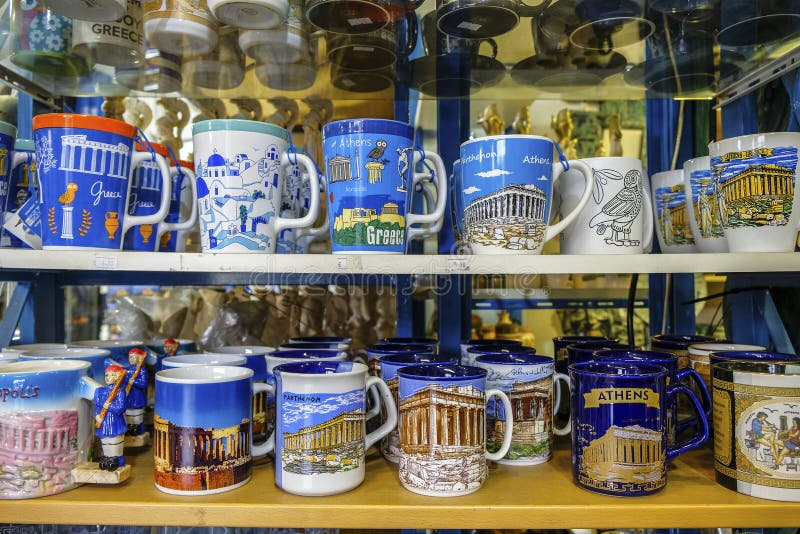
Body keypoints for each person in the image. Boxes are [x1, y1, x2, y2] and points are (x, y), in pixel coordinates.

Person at [94, 364, 128, 471]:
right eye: (106, 375)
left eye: (111, 375)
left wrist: (109, 405)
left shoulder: (120, 391)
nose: (108, 378)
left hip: (114, 421)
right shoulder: (100, 391)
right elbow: (97, 406)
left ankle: (115, 458)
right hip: (103, 422)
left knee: (114, 441)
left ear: (117, 377)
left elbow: (120, 408)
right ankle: (107, 457)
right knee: (105, 441)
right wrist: (97, 416)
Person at [124, 348, 148, 437]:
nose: (131, 359)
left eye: (133, 357)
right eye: (129, 357)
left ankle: (139, 431)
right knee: (128, 415)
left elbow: (143, 383)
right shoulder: (127, 369)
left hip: (137, 397)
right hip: (128, 396)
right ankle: (129, 430)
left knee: (137, 417)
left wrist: (133, 382)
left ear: (139, 358)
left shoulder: (142, 370)